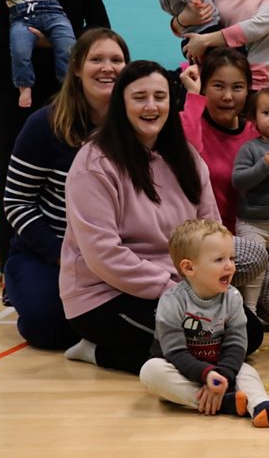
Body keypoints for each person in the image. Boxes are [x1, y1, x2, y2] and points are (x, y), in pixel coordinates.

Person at [60, 61, 226, 374]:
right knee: (205, 347)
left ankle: (114, 351)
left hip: (181, 285)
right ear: (121, 104)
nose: (151, 106)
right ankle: (95, 351)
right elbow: (103, 255)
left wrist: (208, 283)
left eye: (160, 97)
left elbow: (210, 232)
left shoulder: (186, 157)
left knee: (246, 335)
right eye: (139, 97)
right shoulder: (94, 164)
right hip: (106, 294)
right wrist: (175, 289)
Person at [0, 0, 110, 277]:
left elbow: (102, 27)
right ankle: (12, 270)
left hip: (60, 90)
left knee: (65, 176)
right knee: (12, 177)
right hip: (7, 86)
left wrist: (57, 42)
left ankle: (65, 261)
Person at [2, 28, 128, 349]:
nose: (108, 67)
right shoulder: (44, 125)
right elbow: (17, 202)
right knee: (48, 327)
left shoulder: (138, 125)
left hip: (116, 255)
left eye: (117, 60)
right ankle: (21, 287)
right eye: (96, 59)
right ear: (76, 68)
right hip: (48, 254)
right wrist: (61, 255)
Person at [139, 220, 269, 427]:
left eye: (232, 258)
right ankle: (224, 403)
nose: (230, 265)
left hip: (221, 371)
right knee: (150, 371)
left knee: (247, 370)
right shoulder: (172, 301)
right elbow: (174, 351)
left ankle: (262, 406)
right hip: (182, 370)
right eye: (219, 259)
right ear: (189, 267)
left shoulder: (233, 298)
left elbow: (236, 344)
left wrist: (223, 374)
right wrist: (206, 375)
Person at [177, 48, 269, 325]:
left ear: (248, 90)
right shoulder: (189, 122)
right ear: (205, 87)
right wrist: (193, 96)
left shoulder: (256, 133)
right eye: (218, 86)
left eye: (237, 87)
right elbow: (187, 156)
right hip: (205, 244)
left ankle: (229, 298)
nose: (227, 96)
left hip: (250, 244)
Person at [231, 86, 269, 314]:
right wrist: (263, 166)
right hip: (252, 223)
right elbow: (239, 181)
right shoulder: (250, 148)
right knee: (256, 271)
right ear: (254, 118)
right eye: (267, 113)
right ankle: (250, 311)